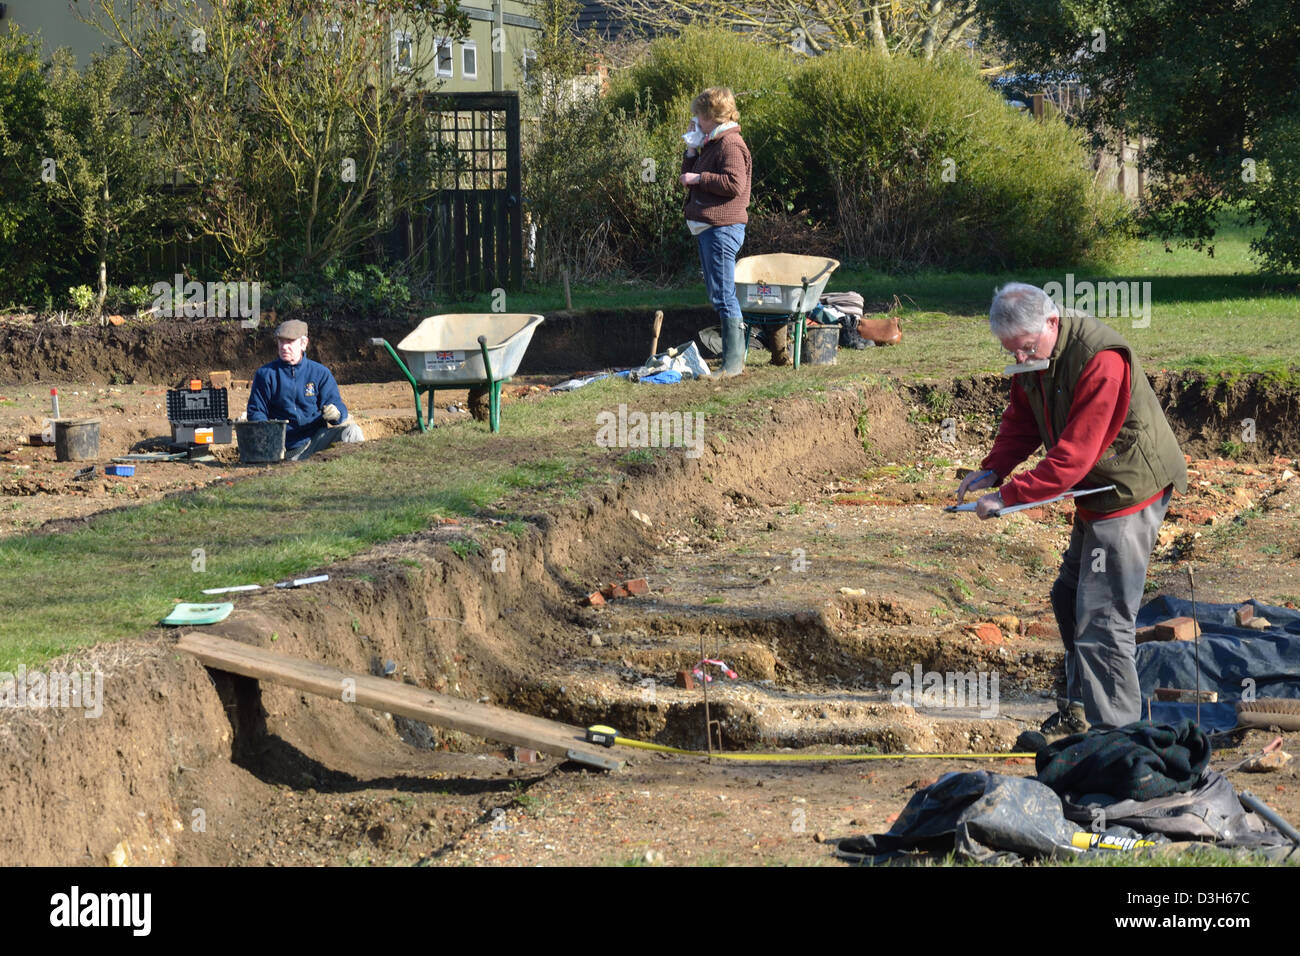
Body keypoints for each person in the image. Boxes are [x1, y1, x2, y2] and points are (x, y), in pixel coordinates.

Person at [955, 283, 1187, 740]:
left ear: (1052, 324)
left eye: (1023, 349)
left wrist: (1009, 497)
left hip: (1128, 490)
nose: (1019, 360)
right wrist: (993, 470)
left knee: (1103, 621)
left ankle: (1117, 739)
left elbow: (1073, 457)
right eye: (1011, 352)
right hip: (1095, 488)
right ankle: (1081, 706)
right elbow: (1022, 420)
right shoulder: (1036, 356)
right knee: (1068, 598)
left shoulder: (1101, 360)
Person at [681, 86, 752, 377]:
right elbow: (688, 177)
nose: (695, 119)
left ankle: (734, 363)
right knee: (717, 292)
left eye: (699, 115)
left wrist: (700, 176)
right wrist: (691, 148)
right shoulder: (712, 143)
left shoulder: (730, 144)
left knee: (723, 293)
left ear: (712, 116)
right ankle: (736, 354)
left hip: (723, 228)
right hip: (709, 228)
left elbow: (734, 183)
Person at [246, 319, 364, 461]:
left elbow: (336, 404)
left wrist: (337, 414)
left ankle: (353, 476)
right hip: (283, 448)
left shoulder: (320, 373)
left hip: (317, 442)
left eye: (289, 342)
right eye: (281, 341)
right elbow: (256, 412)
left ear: (303, 344)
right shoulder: (265, 374)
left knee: (353, 431)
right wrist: (270, 436)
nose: (284, 347)